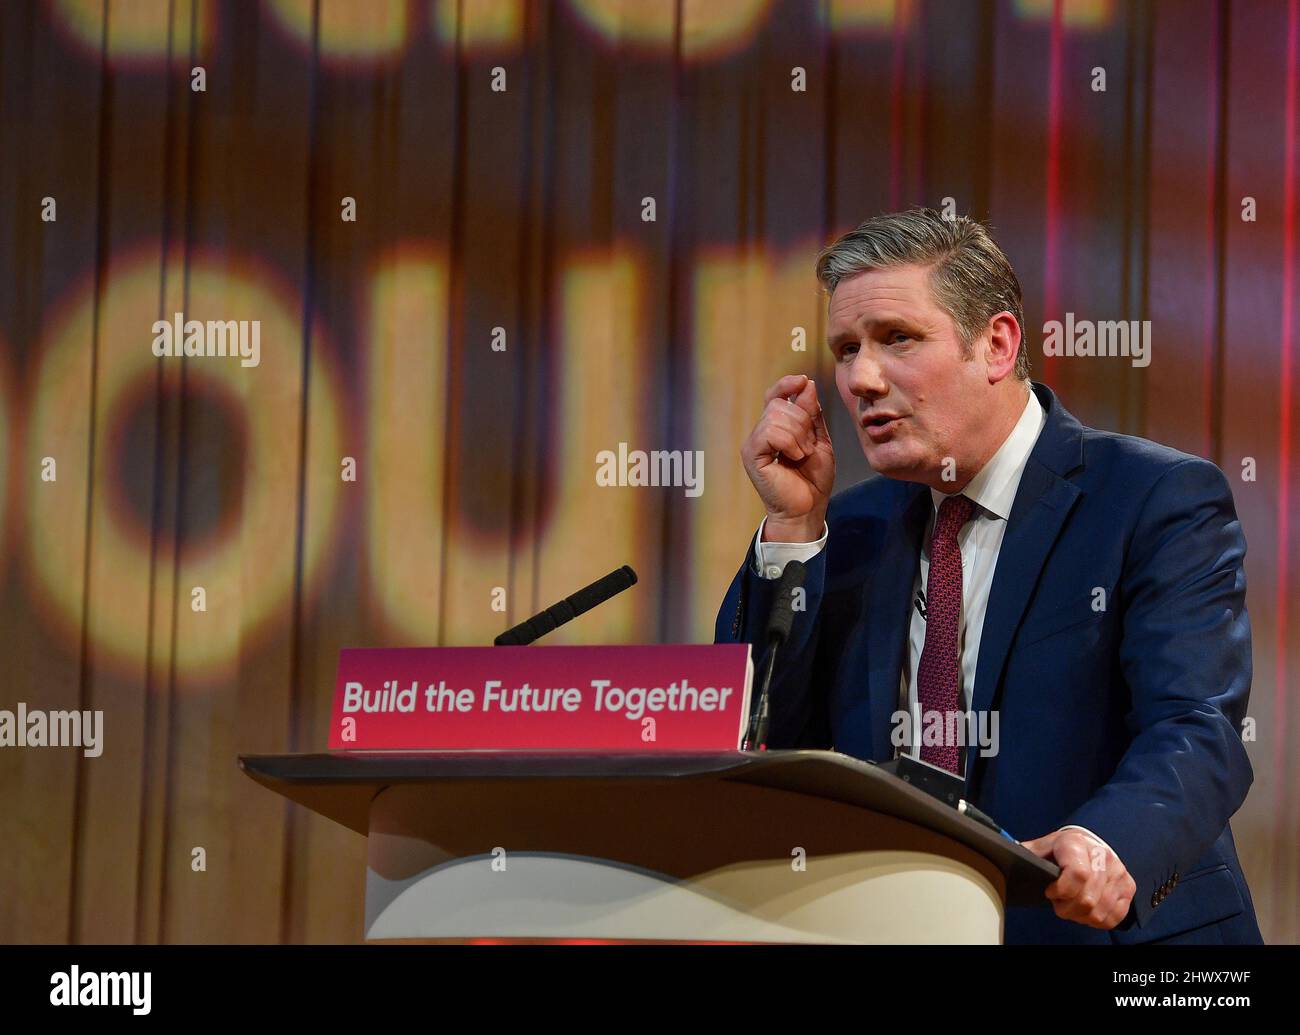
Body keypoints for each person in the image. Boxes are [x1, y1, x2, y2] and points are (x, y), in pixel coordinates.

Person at [715, 207, 1263, 944]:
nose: (861, 378)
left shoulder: (1153, 499)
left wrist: (1111, 843)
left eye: (896, 338)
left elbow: (1196, 728)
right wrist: (790, 530)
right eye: (845, 349)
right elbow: (756, 744)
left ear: (996, 343)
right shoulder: (839, 534)